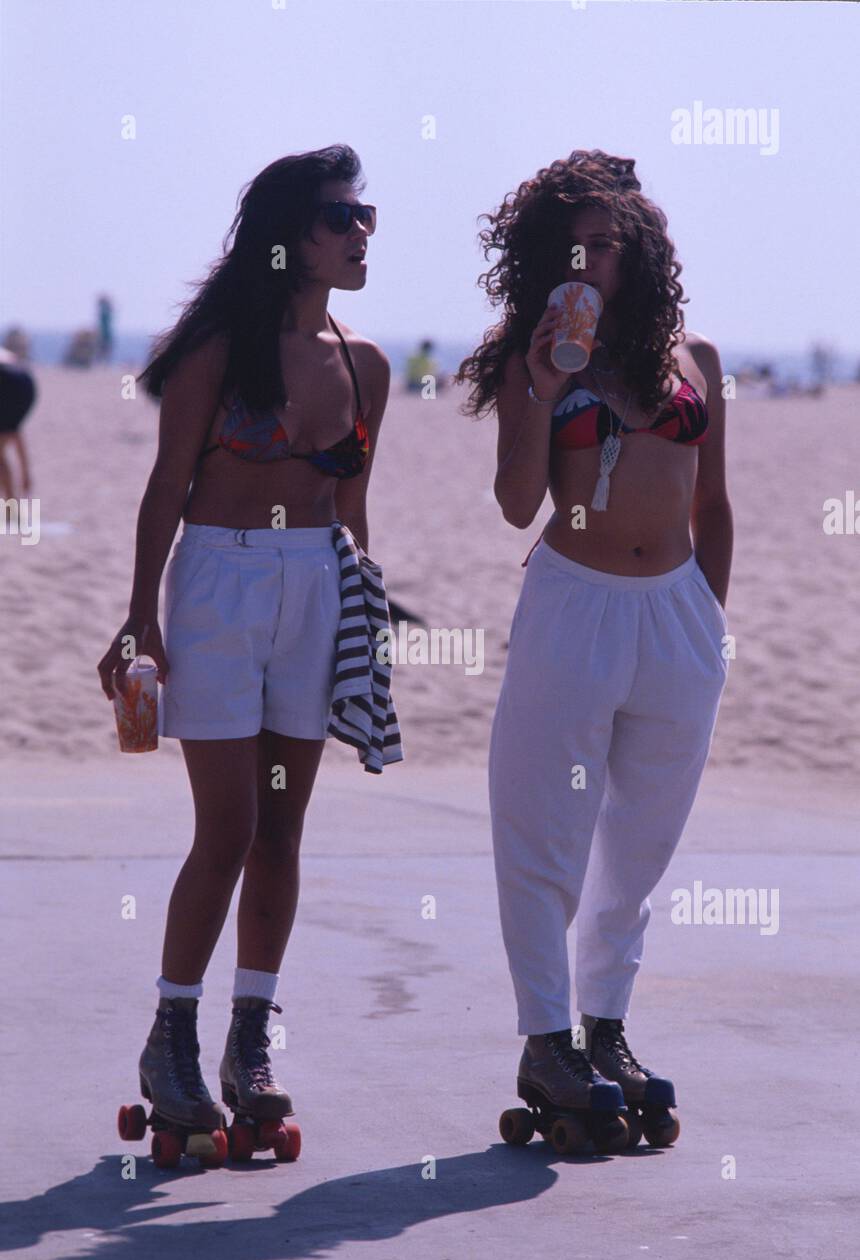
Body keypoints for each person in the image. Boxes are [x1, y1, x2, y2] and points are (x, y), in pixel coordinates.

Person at [97, 145, 398, 1163]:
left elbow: (350, 510)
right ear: (289, 236)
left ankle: (249, 1043)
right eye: (339, 216)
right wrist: (141, 619)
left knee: (281, 828)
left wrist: (366, 608)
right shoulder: (219, 349)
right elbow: (165, 487)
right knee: (224, 829)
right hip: (218, 585)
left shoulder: (366, 365)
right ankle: (170, 1036)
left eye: (367, 214)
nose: (360, 231)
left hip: (314, 588)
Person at [455, 149, 731, 1152]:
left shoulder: (689, 356)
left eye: (605, 243)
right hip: (572, 604)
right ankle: (543, 1040)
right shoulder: (528, 350)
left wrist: (709, 622)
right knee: (541, 835)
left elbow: (713, 501)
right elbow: (513, 504)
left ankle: (604, 1028)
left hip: (673, 613)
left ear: (637, 250)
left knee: (640, 842)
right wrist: (537, 383)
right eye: (568, 245)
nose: (588, 260)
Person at [0, 349, 36, 499]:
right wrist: (25, 471)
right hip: (26, 382)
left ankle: (10, 506)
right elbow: (16, 432)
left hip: (7, 379)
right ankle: (11, 505)